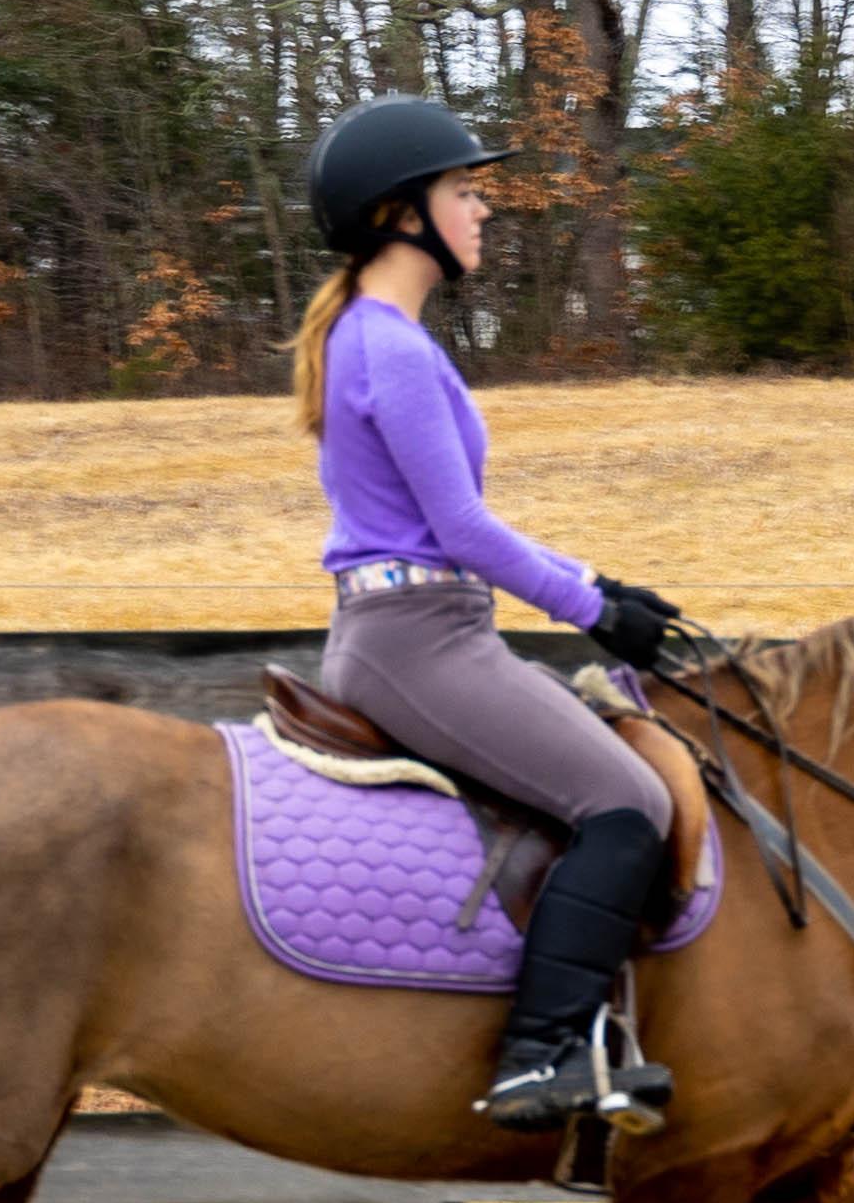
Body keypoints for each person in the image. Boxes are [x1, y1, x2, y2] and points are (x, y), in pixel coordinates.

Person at [288, 95, 710, 1130]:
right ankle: (539, 1054)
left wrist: (601, 585)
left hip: (435, 628)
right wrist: (592, 613)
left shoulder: (381, 337)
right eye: (463, 192)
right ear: (401, 214)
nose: (482, 209)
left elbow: (461, 528)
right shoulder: (385, 345)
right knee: (629, 805)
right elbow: (464, 529)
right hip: (414, 640)